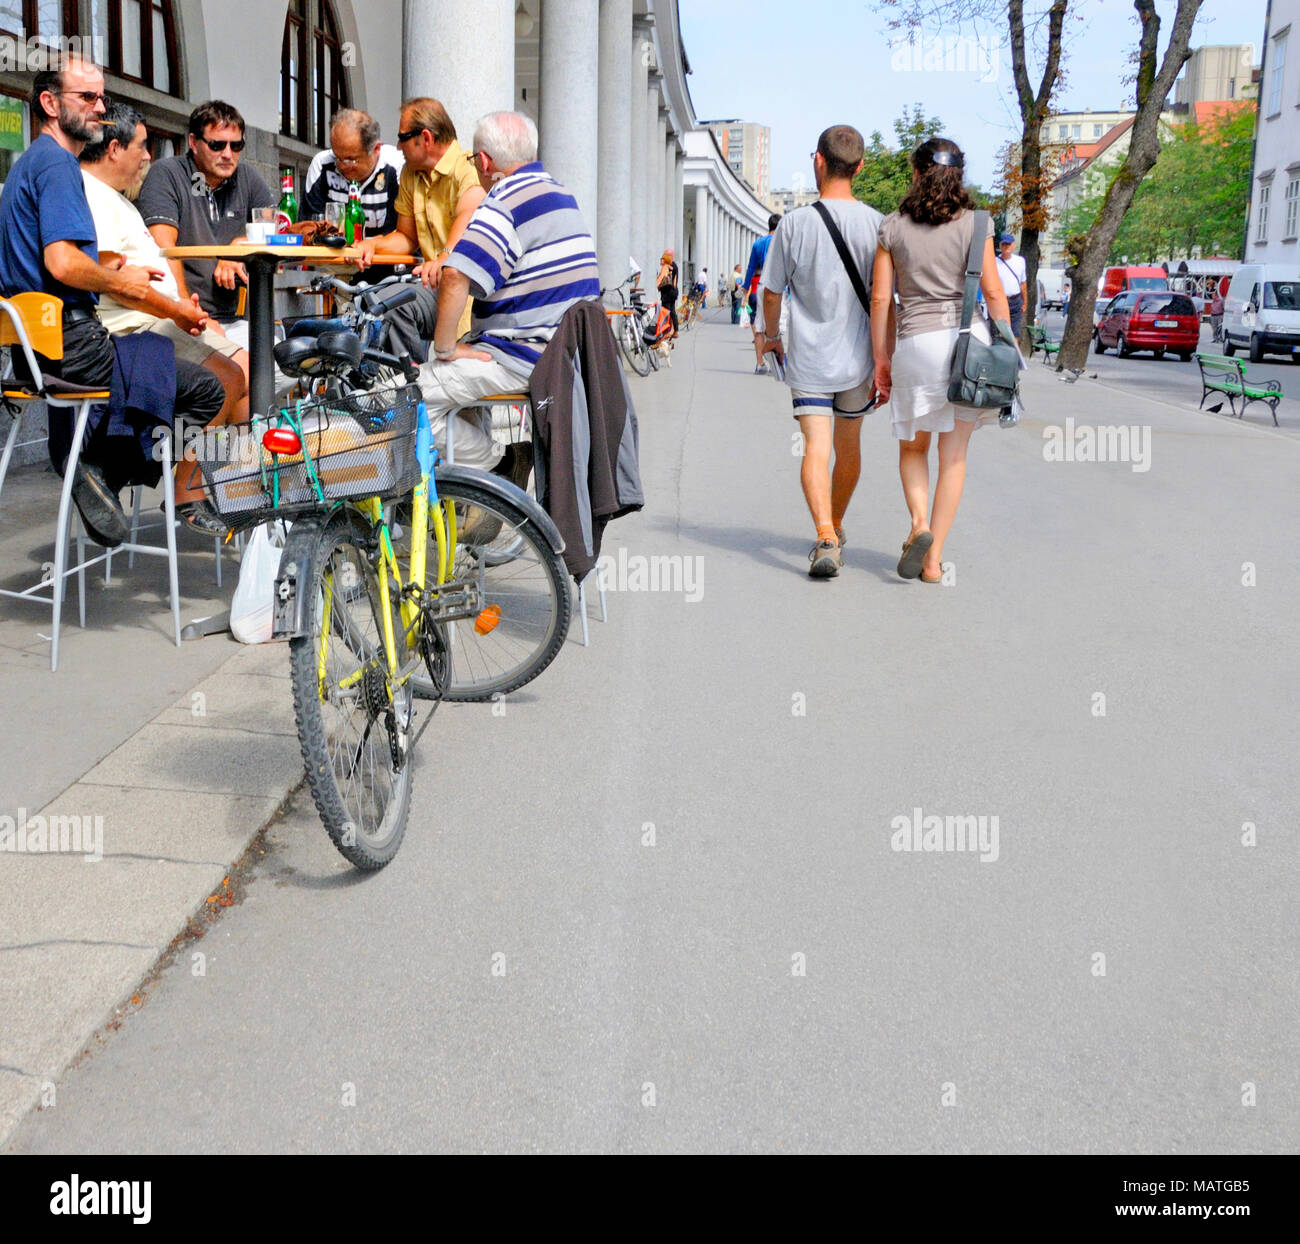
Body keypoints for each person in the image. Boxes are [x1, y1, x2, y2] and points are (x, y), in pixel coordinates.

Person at [0, 58, 224, 545]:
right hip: (76, 346)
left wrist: (110, 265)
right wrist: (160, 302)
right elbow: (62, 265)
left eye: (102, 98)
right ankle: (99, 468)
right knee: (208, 390)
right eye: (87, 98)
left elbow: (51, 258)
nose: (100, 109)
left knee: (153, 369)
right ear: (50, 103)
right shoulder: (60, 166)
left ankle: (98, 472)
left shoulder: (28, 165)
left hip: (33, 351)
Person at [79, 103, 248, 533]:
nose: (148, 157)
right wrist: (177, 308)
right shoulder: (90, 194)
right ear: (115, 148)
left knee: (246, 376)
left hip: (156, 318)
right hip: (132, 326)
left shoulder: (112, 197)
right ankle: (186, 493)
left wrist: (178, 303)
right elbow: (109, 275)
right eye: (141, 146)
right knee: (231, 378)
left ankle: (223, 488)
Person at [421, 111, 600, 471]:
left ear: (484, 161)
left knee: (408, 402)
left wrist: (446, 348)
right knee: (461, 363)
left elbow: (455, 275)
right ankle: (477, 498)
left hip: (526, 357)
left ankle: (501, 464)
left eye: (474, 159)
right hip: (565, 355)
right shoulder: (562, 195)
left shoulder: (505, 199)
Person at [870, 137, 1012, 585]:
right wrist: (1007, 343)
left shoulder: (892, 227)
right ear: (958, 175)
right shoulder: (978, 224)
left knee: (914, 447)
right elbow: (992, 292)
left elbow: (880, 299)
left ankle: (919, 525)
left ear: (916, 173)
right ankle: (934, 562)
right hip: (967, 347)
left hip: (915, 344)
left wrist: (881, 358)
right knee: (954, 456)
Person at [760, 125, 882, 579]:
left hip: (809, 359)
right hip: (859, 360)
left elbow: (772, 292)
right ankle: (836, 524)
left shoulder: (793, 224)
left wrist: (772, 335)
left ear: (818, 161)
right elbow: (885, 296)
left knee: (815, 446)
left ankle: (826, 534)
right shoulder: (878, 224)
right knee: (849, 447)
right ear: (860, 166)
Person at [353, 96, 485, 354]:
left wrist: (444, 257)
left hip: (473, 292)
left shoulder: (469, 167)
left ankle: (414, 383)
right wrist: (371, 245)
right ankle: (410, 382)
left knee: (393, 302)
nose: (399, 146)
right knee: (386, 302)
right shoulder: (410, 173)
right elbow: (406, 237)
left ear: (425, 138)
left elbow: (469, 214)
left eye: (402, 137)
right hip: (435, 288)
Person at [137, 100, 275, 341]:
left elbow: (278, 231)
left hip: (236, 319)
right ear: (193, 143)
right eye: (217, 145)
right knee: (253, 369)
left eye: (236, 145)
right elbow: (165, 251)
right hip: (179, 317)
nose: (228, 154)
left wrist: (240, 246)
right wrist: (187, 312)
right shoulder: (167, 174)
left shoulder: (248, 177)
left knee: (287, 366)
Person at [303, 108, 404, 237]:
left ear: (376, 149)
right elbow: (309, 227)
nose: (342, 166)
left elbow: (403, 235)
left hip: (387, 255)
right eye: (337, 157)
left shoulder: (397, 166)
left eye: (351, 159)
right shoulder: (322, 164)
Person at [745, 213, 781, 372]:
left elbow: (751, 268)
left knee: (759, 326)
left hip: (761, 286)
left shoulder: (758, 243)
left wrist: (746, 287)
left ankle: (760, 363)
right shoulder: (782, 243)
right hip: (779, 287)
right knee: (776, 325)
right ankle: (776, 364)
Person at [995, 231, 1027, 338]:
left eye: (1009, 244)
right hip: (999, 301)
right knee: (998, 333)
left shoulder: (1020, 261)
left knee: (1015, 332)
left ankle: (1014, 353)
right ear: (1000, 246)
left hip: (1015, 300)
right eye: (1004, 244)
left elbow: (1023, 284)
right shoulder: (994, 262)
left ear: (1013, 245)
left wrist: (1025, 302)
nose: (1006, 247)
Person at [657, 249, 679, 338]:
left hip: (667, 292)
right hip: (673, 291)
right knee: (672, 312)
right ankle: (675, 330)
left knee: (666, 312)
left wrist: (658, 283)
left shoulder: (667, 266)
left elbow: (661, 279)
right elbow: (675, 281)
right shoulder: (675, 266)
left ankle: (666, 331)